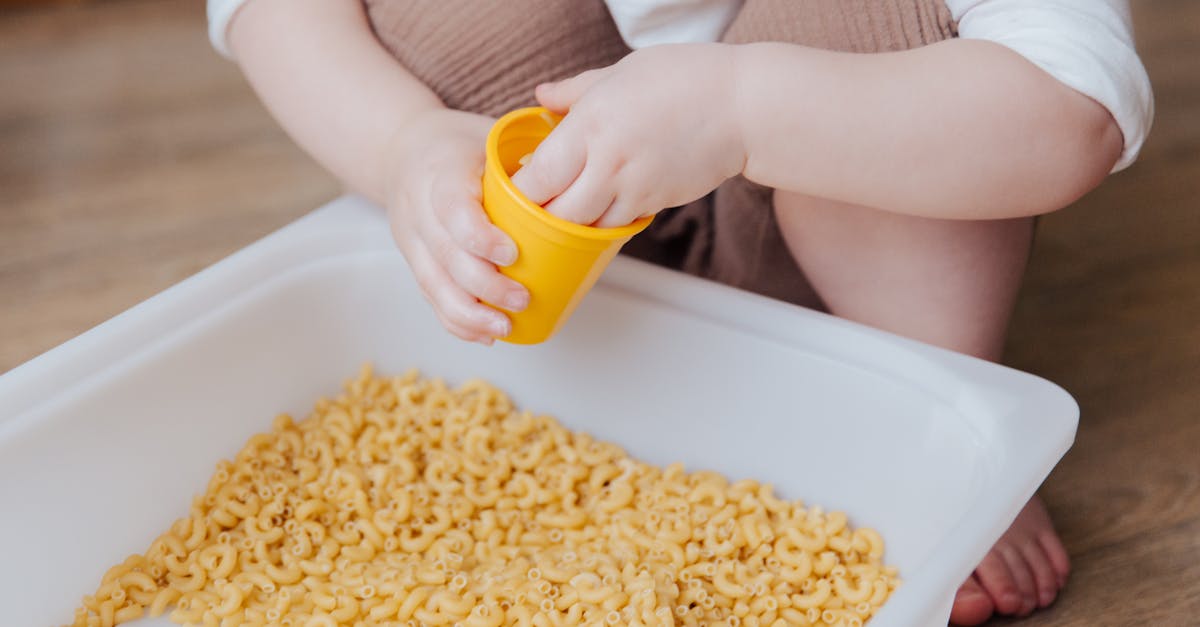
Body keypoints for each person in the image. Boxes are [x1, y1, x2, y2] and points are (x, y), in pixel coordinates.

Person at [207, 0, 1153, 623]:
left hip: (833, 237)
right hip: (569, 238)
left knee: (882, 19)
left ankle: (936, 414)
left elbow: (1072, 111)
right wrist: (403, 142)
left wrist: (745, 111)